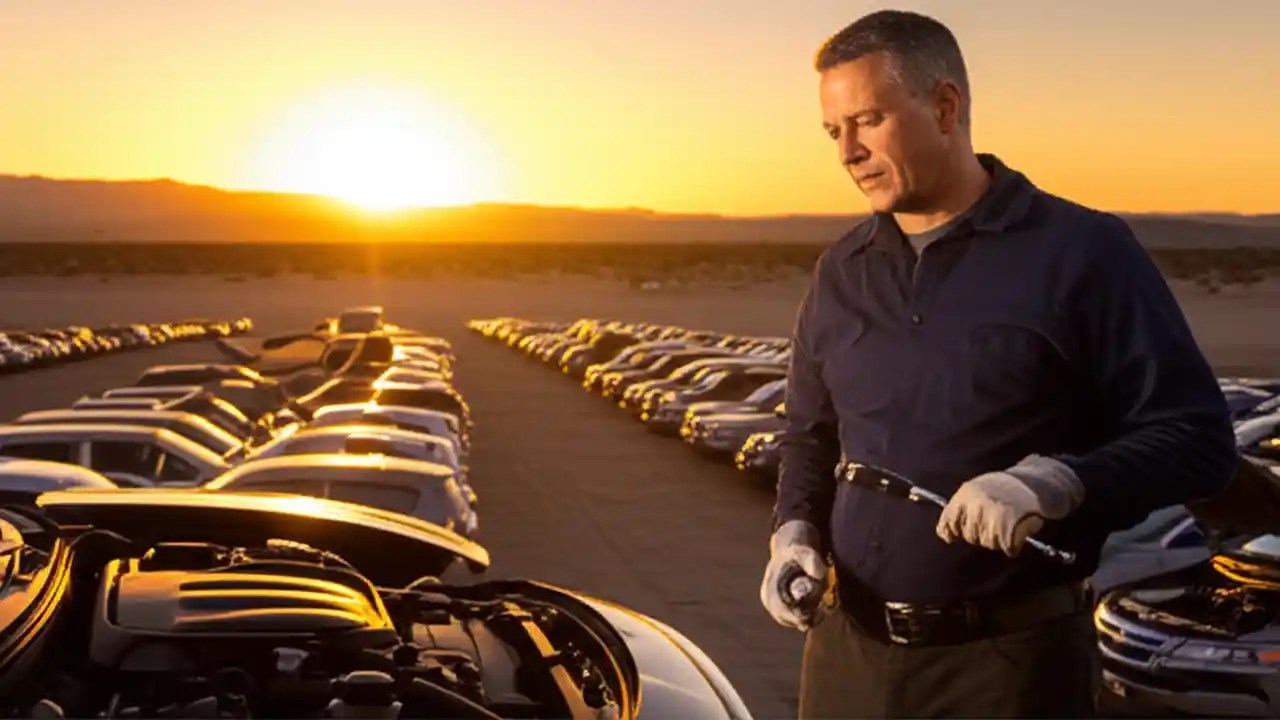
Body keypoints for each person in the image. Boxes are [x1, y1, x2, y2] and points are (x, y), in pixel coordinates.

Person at [758, 9, 1238, 718]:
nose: (847, 152)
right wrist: (792, 532)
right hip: (843, 657)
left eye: (868, 121)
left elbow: (1198, 442)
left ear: (945, 107)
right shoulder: (841, 271)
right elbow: (808, 435)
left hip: (1008, 670)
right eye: (834, 131)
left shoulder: (1084, 253)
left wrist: (1054, 483)